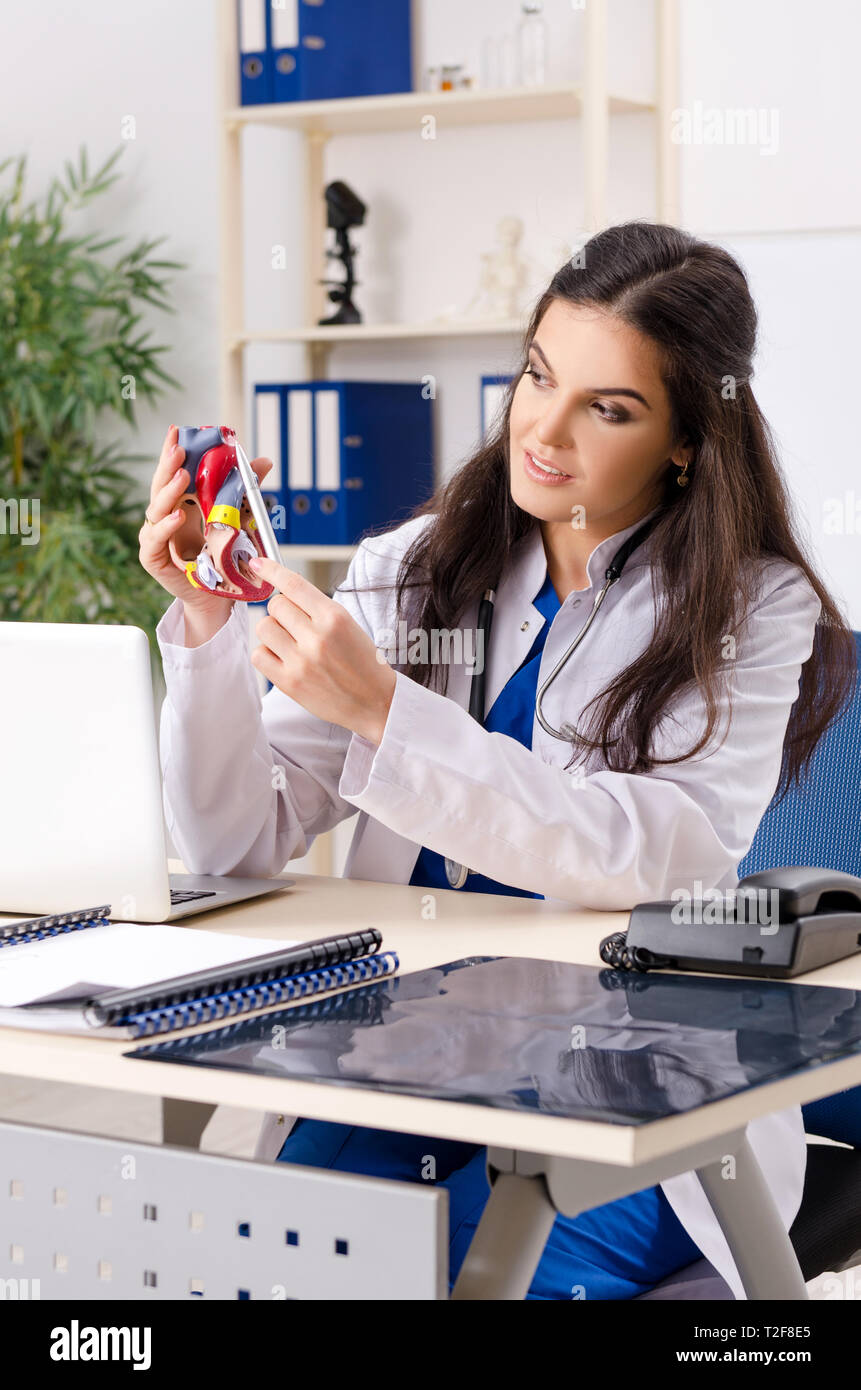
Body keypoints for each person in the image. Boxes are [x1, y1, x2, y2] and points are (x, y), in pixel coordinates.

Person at [139, 221, 856, 1299]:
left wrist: (384, 710)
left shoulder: (754, 608)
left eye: (606, 408)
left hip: (625, 1082)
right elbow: (233, 840)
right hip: (405, 1059)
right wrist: (205, 630)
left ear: (686, 441)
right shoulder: (408, 569)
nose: (544, 432)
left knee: (477, 1281)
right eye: (537, 376)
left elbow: (653, 851)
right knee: (261, 1272)